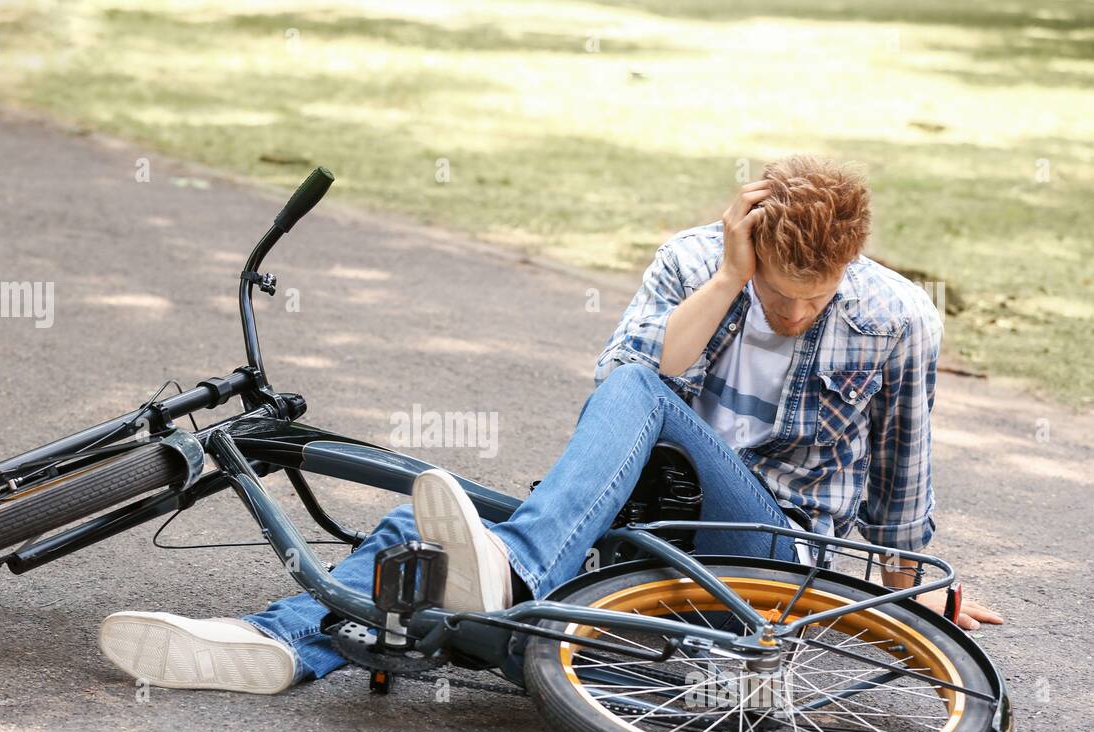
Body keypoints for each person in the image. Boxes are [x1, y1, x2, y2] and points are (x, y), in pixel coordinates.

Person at [97, 155, 1002, 695]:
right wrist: (728, 283)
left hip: (766, 549)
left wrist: (911, 590)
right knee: (420, 526)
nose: (798, 313)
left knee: (642, 396)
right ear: (748, 246)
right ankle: (275, 646)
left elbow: (900, 473)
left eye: (820, 295)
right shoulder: (696, 262)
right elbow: (626, 386)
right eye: (778, 289)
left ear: (852, 261)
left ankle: (515, 566)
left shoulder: (900, 318)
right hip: (639, 536)